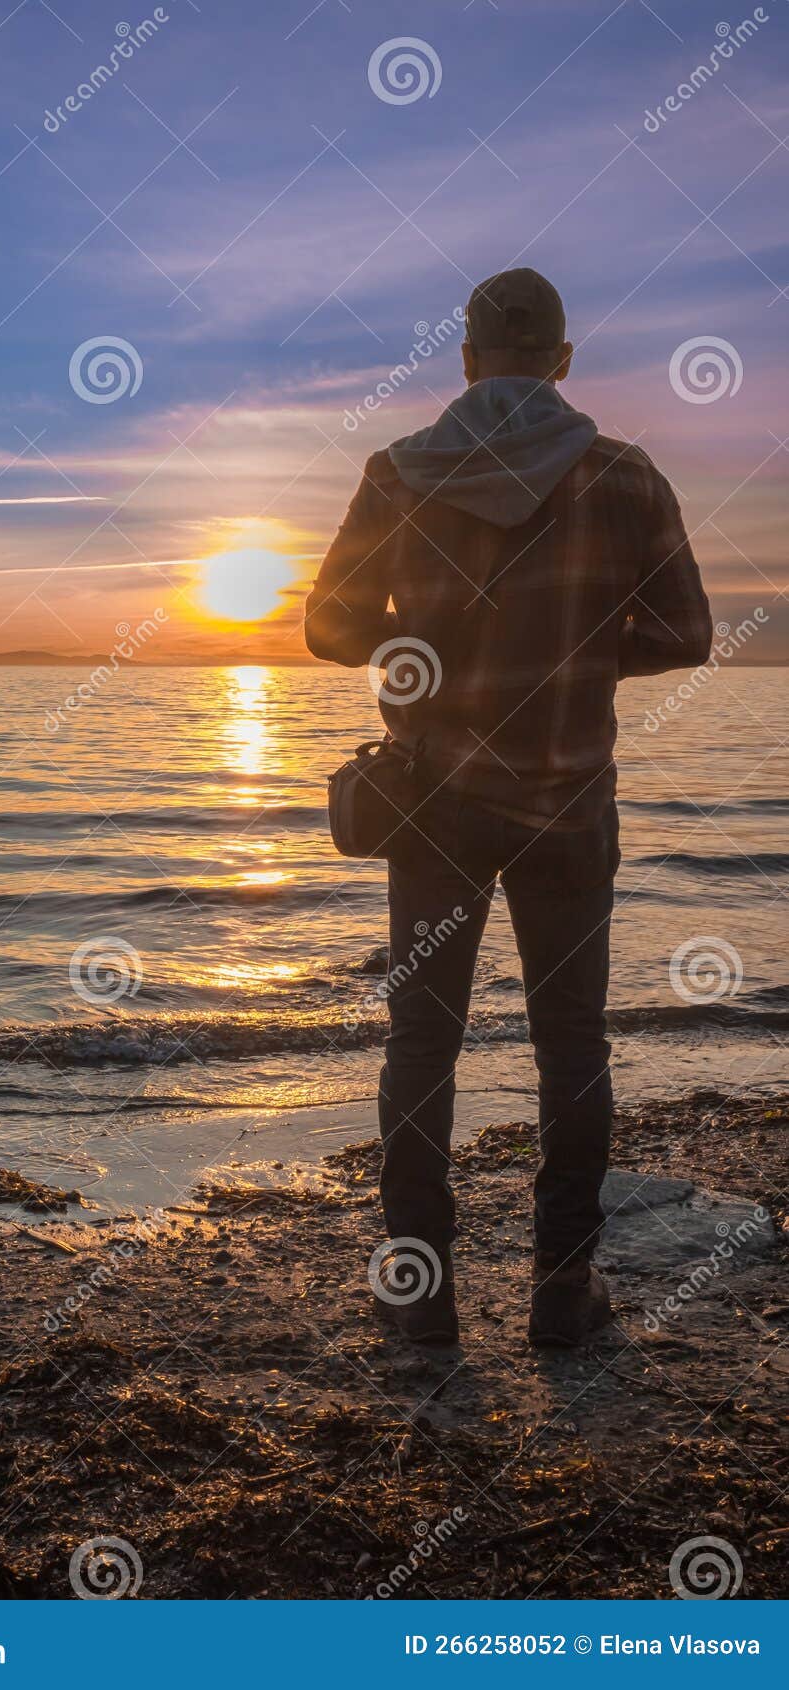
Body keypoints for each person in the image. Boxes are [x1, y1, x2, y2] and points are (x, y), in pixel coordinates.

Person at [305, 267, 712, 1346]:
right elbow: (685, 636)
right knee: (570, 1050)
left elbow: (328, 625)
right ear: (563, 363)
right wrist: (572, 656)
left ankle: (419, 1301)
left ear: (469, 360)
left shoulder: (398, 475)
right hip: (567, 804)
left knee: (419, 1045)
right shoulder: (625, 478)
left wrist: (425, 648)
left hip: (434, 804)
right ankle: (559, 1299)